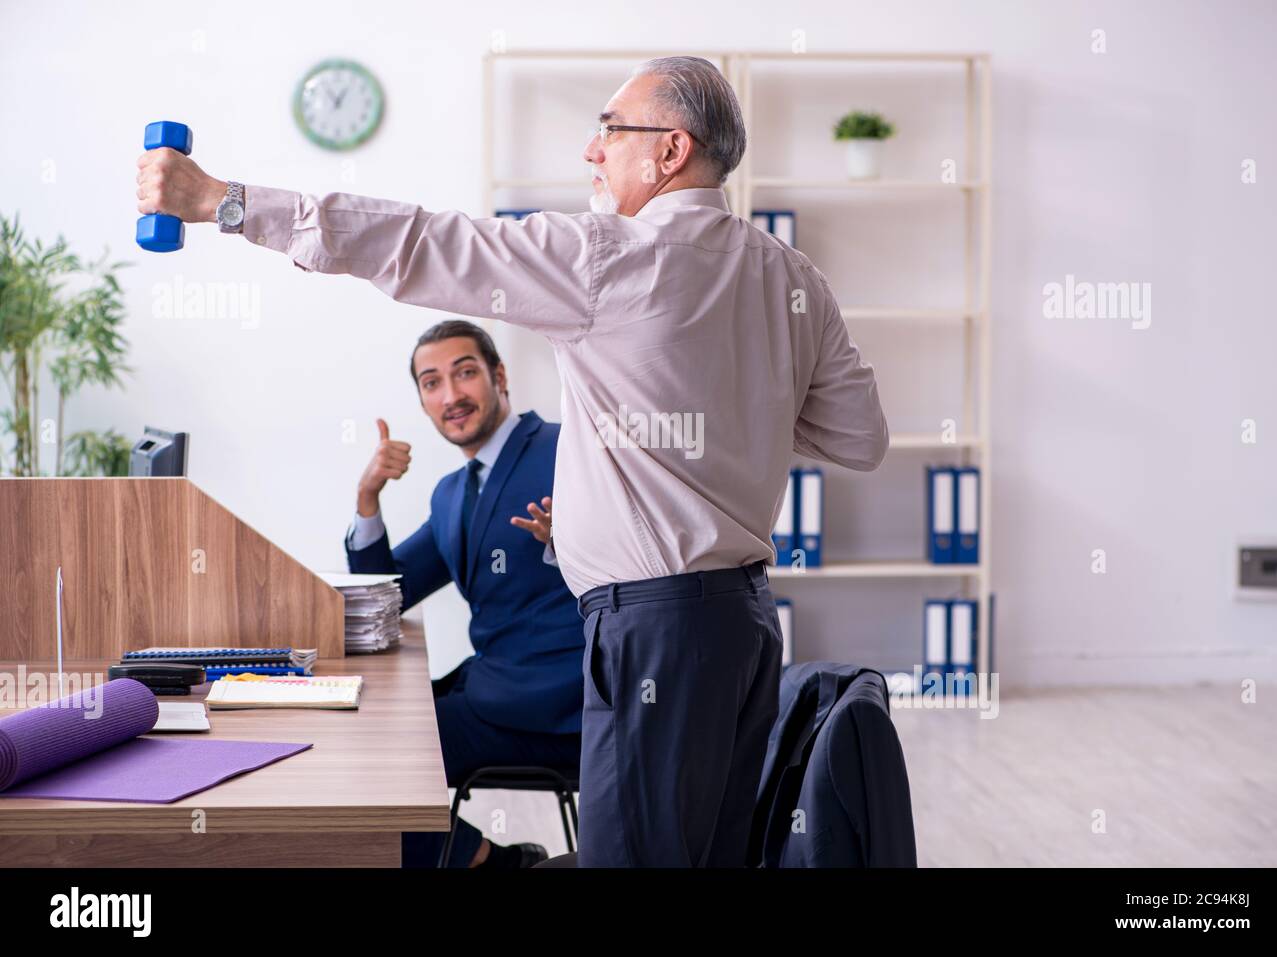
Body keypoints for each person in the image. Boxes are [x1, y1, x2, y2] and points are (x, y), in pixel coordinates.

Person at [135, 55, 889, 867]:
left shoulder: (606, 255)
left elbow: (420, 242)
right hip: (745, 622)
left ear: (670, 150)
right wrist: (739, 407)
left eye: (610, 130)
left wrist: (223, 202)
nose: (592, 150)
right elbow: (860, 437)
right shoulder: (790, 273)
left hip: (654, 632)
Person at [348, 319, 582, 869]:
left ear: (499, 377)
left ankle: (482, 860)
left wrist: (575, 544)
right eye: (432, 383)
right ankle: (485, 857)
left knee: (374, 754)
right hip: (495, 693)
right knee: (362, 733)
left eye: (465, 373)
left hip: (562, 711)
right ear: (423, 403)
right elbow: (387, 596)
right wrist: (367, 498)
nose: (451, 395)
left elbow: (639, 565)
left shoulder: (565, 449)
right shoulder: (451, 493)